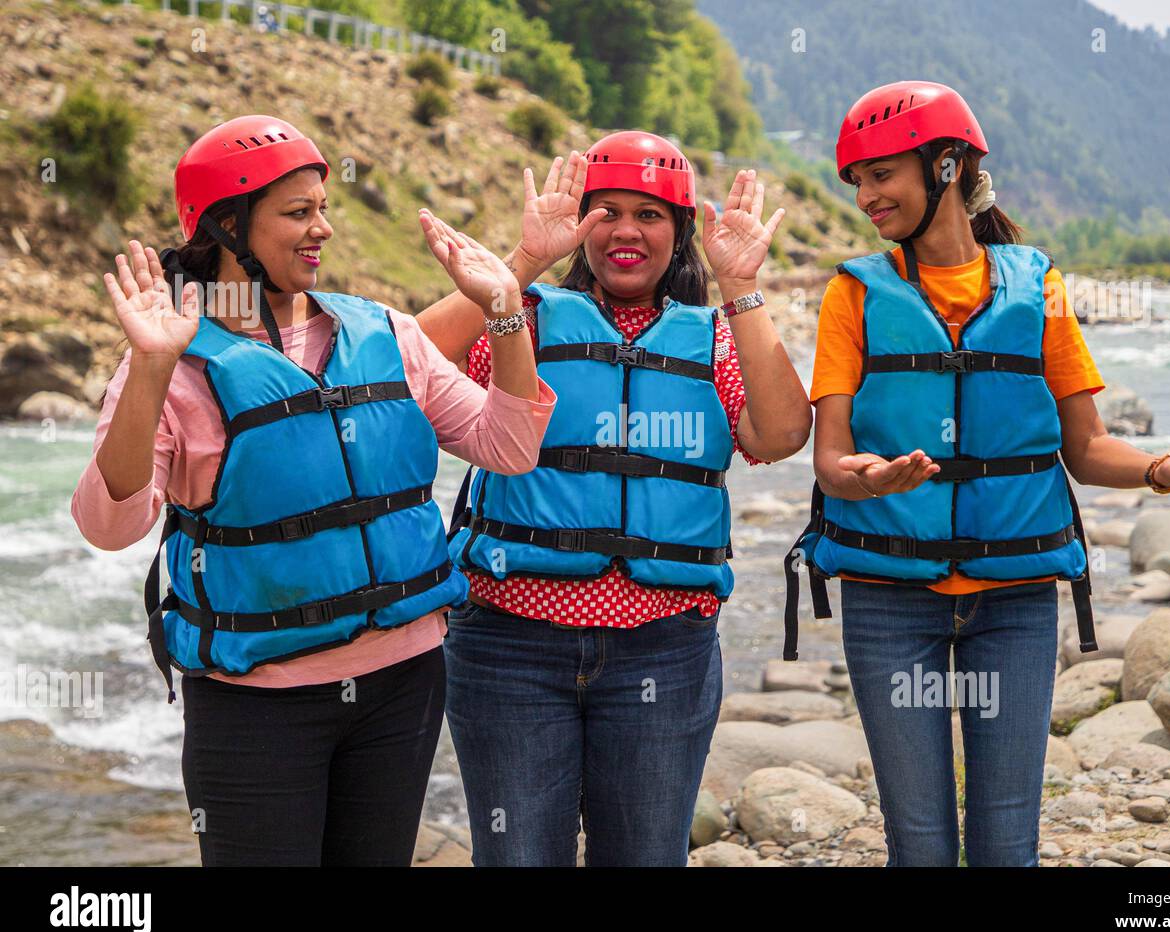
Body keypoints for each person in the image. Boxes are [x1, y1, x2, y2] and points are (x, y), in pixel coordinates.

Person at [786, 81, 1170, 866]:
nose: (867, 196)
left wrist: (1162, 466)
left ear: (945, 165)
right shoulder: (853, 294)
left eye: (881, 174)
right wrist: (866, 480)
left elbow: (1085, 447)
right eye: (858, 181)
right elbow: (830, 459)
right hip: (888, 601)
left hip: (1015, 602)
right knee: (920, 843)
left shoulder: (1035, 286)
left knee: (1009, 841)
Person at [70, 115, 555, 865]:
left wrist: (504, 311)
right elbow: (110, 524)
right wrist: (150, 372)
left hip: (403, 678)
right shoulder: (174, 360)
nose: (321, 229)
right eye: (297, 213)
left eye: (323, 208)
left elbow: (510, 447)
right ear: (226, 227)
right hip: (255, 701)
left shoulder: (385, 332)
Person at [414, 132, 811, 865]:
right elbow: (405, 370)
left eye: (650, 215)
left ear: (680, 232)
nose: (626, 231)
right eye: (606, 212)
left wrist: (742, 287)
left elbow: (783, 434)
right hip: (509, 644)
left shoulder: (718, 339)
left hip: (663, 649)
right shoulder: (521, 316)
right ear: (582, 227)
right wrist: (522, 262)